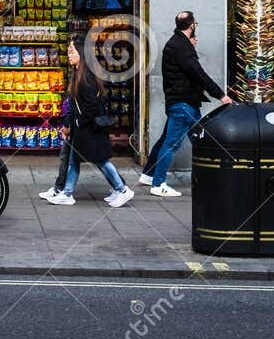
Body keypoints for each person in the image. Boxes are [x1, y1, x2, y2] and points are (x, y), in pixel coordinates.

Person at [142, 11, 233, 197]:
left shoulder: (177, 44)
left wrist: (189, 47)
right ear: (192, 26)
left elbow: (183, 66)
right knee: (173, 144)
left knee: (191, 138)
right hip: (184, 103)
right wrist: (221, 95)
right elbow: (198, 73)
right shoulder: (182, 48)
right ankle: (159, 184)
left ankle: (149, 174)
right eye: (195, 25)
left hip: (181, 102)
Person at [45, 38, 135, 207]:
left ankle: (122, 189)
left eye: (72, 51)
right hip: (85, 128)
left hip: (89, 128)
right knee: (75, 160)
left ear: (82, 54)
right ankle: (67, 193)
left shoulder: (86, 78)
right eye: (69, 51)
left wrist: (77, 123)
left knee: (100, 161)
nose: (68, 54)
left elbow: (90, 107)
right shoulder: (80, 75)